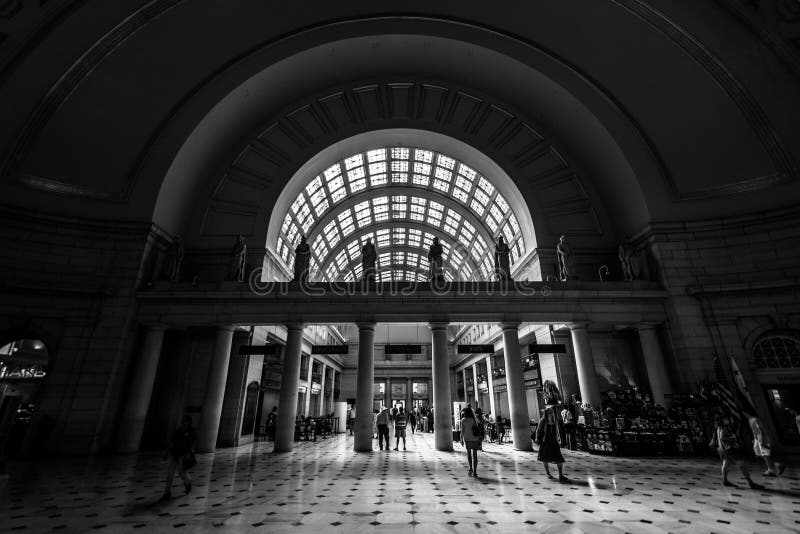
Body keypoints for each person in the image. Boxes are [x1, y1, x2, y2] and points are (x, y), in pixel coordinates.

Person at [709, 414, 764, 489]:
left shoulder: (718, 428)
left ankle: (725, 481)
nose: (727, 420)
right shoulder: (724, 428)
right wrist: (732, 437)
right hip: (729, 450)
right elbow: (722, 438)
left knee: (725, 465)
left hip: (723, 450)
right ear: (721, 420)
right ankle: (751, 483)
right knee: (742, 464)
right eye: (725, 419)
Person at [160, 415, 196, 501]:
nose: (183, 423)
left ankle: (188, 484)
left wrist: (189, 453)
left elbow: (192, 444)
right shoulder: (178, 431)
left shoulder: (191, 432)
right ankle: (167, 492)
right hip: (174, 454)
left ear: (189, 422)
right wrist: (166, 453)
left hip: (183, 455)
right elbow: (171, 442)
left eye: (185, 421)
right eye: (182, 421)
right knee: (170, 474)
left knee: (182, 473)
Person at [747, 411, 785, 477]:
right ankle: (777, 465)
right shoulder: (750, 420)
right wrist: (754, 438)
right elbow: (754, 430)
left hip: (762, 438)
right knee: (759, 453)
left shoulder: (755, 419)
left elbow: (761, 430)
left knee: (765, 454)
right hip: (757, 438)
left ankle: (771, 470)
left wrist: (761, 440)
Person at [535, 407, 567, 481]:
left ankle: (560, 475)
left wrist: (559, 440)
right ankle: (548, 473)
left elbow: (557, 431)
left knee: (559, 458)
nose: (551, 413)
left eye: (551, 412)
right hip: (545, 441)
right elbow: (538, 430)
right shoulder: (543, 420)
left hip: (554, 441)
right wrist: (537, 438)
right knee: (545, 457)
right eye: (549, 412)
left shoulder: (554, 420)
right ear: (546, 413)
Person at [459, 406, 484, 477]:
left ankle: (470, 469)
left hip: (467, 438)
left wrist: (461, 439)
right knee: (475, 456)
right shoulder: (474, 419)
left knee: (469, 454)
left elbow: (462, 431)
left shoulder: (463, 420)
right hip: (475, 438)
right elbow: (478, 428)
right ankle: (475, 471)